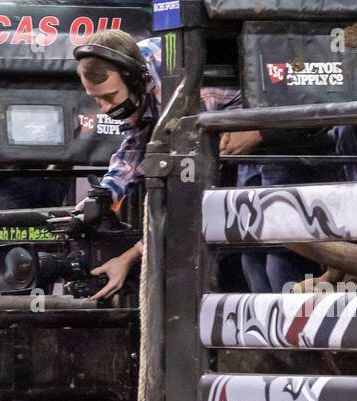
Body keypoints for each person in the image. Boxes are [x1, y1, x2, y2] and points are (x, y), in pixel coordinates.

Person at [74, 29, 242, 300]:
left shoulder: (176, 87)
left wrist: (248, 127)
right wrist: (106, 193)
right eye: (97, 99)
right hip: (206, 149)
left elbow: (183, 202)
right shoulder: (140, 75)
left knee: (254, 256)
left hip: (251, 149)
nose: (105, 108)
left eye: (110, 96)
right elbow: (137, 140)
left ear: (133, 78)